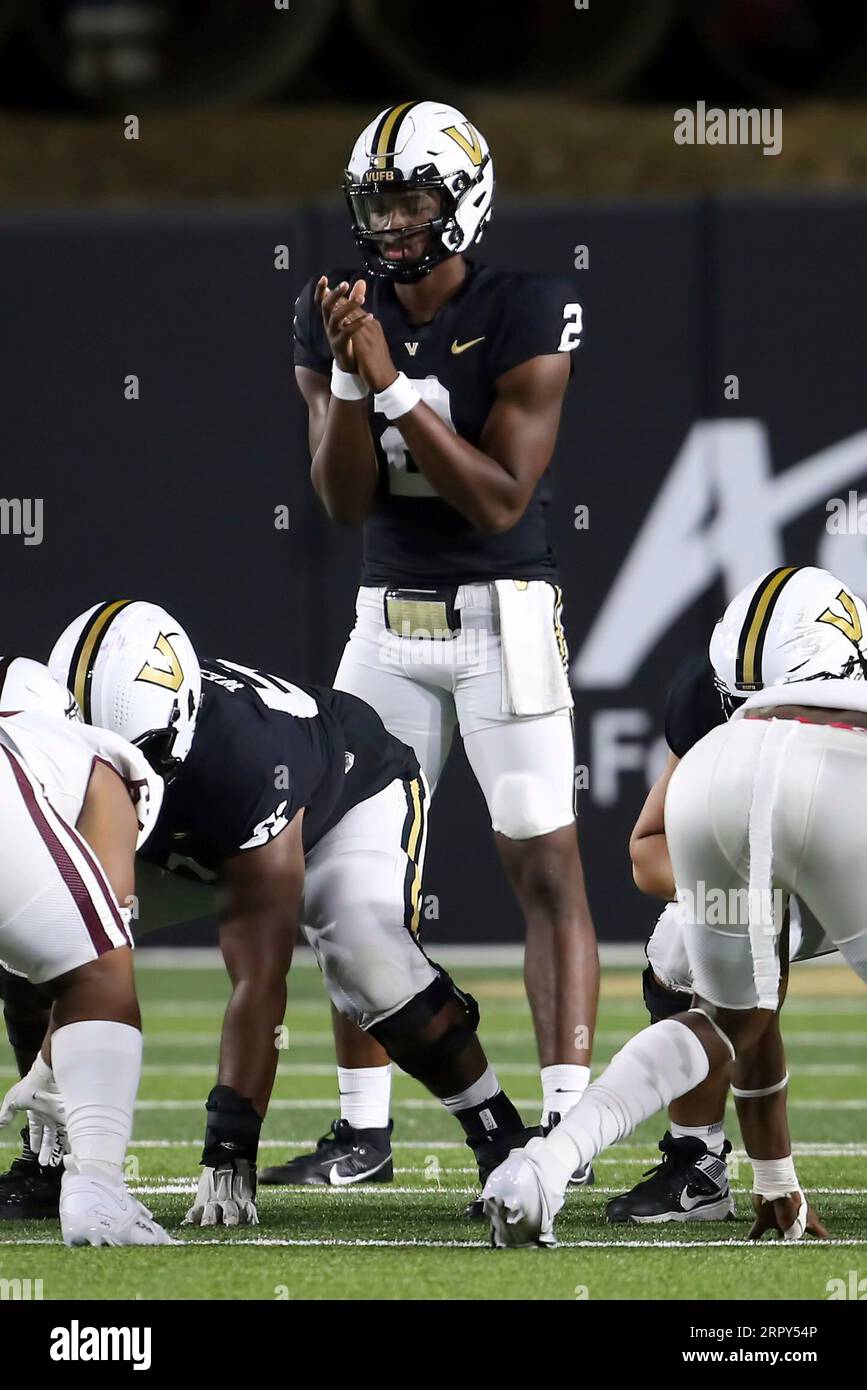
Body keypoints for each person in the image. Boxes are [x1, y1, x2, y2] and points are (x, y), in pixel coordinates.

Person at [288, 97, 598, 1195]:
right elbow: (342, 500)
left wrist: (396, 381)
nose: (395, 222)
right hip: (386, 618)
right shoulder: (335, 309)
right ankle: (362, 1130)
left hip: (502, 610)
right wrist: (344, 377)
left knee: (543, 858)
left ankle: (564, 1123)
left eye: (415, 197)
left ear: (465, 196)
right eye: (379, 201)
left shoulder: (527, 307)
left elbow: (499, 499)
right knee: (344, 872)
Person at [45, 599, 538, 1225]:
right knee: (41, 930)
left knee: (369, 962)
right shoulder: (58, 736)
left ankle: (498, 1132)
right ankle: (47, 1155)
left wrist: (230, 1147)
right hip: (183, 831)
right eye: (96, 763)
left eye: (131, 761)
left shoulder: (248, 766)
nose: (114, 781)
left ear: (177, 729)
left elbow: (259, 979)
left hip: (344, 802)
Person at [482, 565, 865, 1247]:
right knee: (678, 953)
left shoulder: (723, 713)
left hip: (727, 789)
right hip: (843, 793)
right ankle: (699, 1162)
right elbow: (646, 852)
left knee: (727, 1017)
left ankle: (545, 1166)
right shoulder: (755, 704)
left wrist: (765, 910)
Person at [608, 645, 834, 1224]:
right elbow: (648, 851)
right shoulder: (711, 694)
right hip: (787, 881)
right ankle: (698, 1163)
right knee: (686, 941)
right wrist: (745, 898)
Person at [0, 653, 171, 1245]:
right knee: (103, 977)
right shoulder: (88, 750)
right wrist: (49, 1070)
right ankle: (96, 1190)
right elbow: (96, 957)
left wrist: (45, 1066)